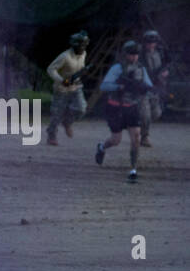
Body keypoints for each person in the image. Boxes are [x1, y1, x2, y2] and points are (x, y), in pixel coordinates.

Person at [95, 40, 153, 183]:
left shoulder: (141, 68)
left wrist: (142, 88)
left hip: (132, 107)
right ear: (125, 54)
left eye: (136, 55)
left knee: (136, 138)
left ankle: (133, 169)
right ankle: (102, 147)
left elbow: (149, 85)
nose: (133, 57)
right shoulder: (117, 68)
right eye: (131, 54)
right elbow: (104, 86)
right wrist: (120, 86)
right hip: (116, 107)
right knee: (116, 140)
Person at [45, 31, 89, 146]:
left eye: (84, 45)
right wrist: (62, 80)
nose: (82, 47)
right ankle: (51, 135)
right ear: (74, 45)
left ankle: (67, 122)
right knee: (56, 114)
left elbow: (80, 67)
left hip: (76, 86)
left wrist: (81, 73)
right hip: (62, 89)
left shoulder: (84, 54)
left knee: (81, 108)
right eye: (80, 45)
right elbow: (50, 69)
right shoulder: (65, 56)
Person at [138, 29, 169, 148]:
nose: (151, 45)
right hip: (144, 86)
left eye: (153, 42)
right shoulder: (140, 54)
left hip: (157, 86)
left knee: (156, 113)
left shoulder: (160, 52)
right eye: (148, 42)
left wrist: (165, 72)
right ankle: (144, 136)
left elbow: (167, 63)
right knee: (145, 114)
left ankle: (138, 126)